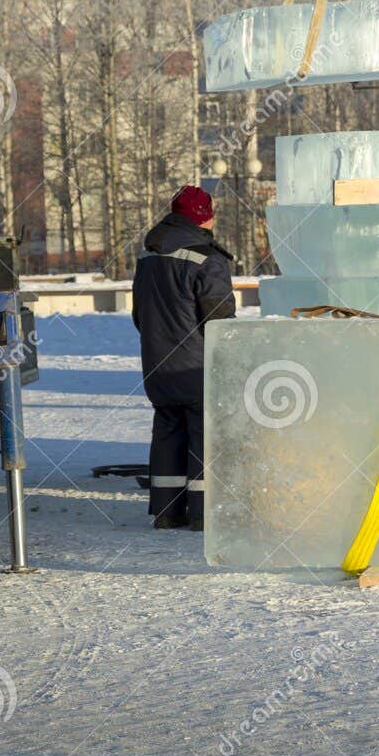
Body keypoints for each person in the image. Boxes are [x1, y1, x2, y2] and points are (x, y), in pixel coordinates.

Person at [134, 185, 236, 530]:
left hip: (157, 365)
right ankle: (204, 513)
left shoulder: (148, 257)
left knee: (167, 431)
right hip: (197, 365)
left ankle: (167, 511)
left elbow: (140, 315)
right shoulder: (208, 259)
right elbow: (219, 318)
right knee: (203, 432)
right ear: (203, 216)